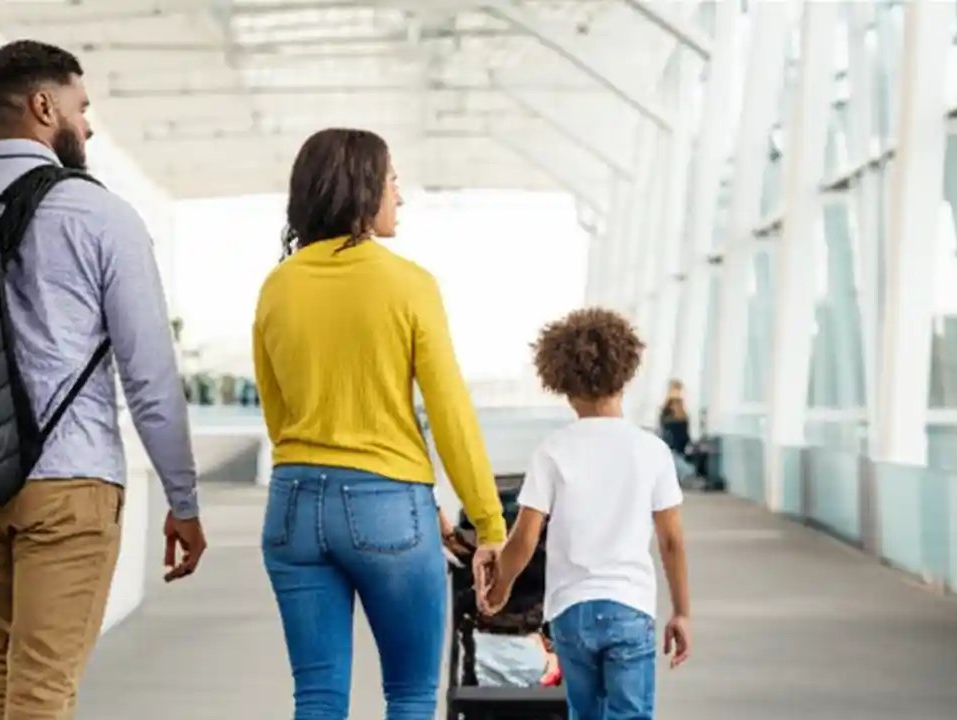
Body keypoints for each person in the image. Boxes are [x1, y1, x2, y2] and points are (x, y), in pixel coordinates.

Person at [0, 40, 207, 720]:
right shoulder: (102, 217)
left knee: (4, 669)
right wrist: (183, 500)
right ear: (43, 106)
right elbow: (148, 376)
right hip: (70, 484)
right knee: (43, 688)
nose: (87, 124)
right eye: (80, 106)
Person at [253, 127, 507, 720]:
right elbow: (450, 413)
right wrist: (488, 523)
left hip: (294, 503)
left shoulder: (277, 286)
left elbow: (277, 412)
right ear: (362, 189)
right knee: (411, 696)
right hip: (388, 506)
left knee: (316, 697)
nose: (400, 196)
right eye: (392, 181)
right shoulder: (409, 284)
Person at [482, 308, 691, 720]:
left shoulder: (553, 450)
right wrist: (682, 612)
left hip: (570, 612)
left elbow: (524, 539)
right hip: (630, 607)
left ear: (562, 382)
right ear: (626, 374)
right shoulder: (651, 450)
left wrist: (500, 587)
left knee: (584, 714)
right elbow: (671, 540)